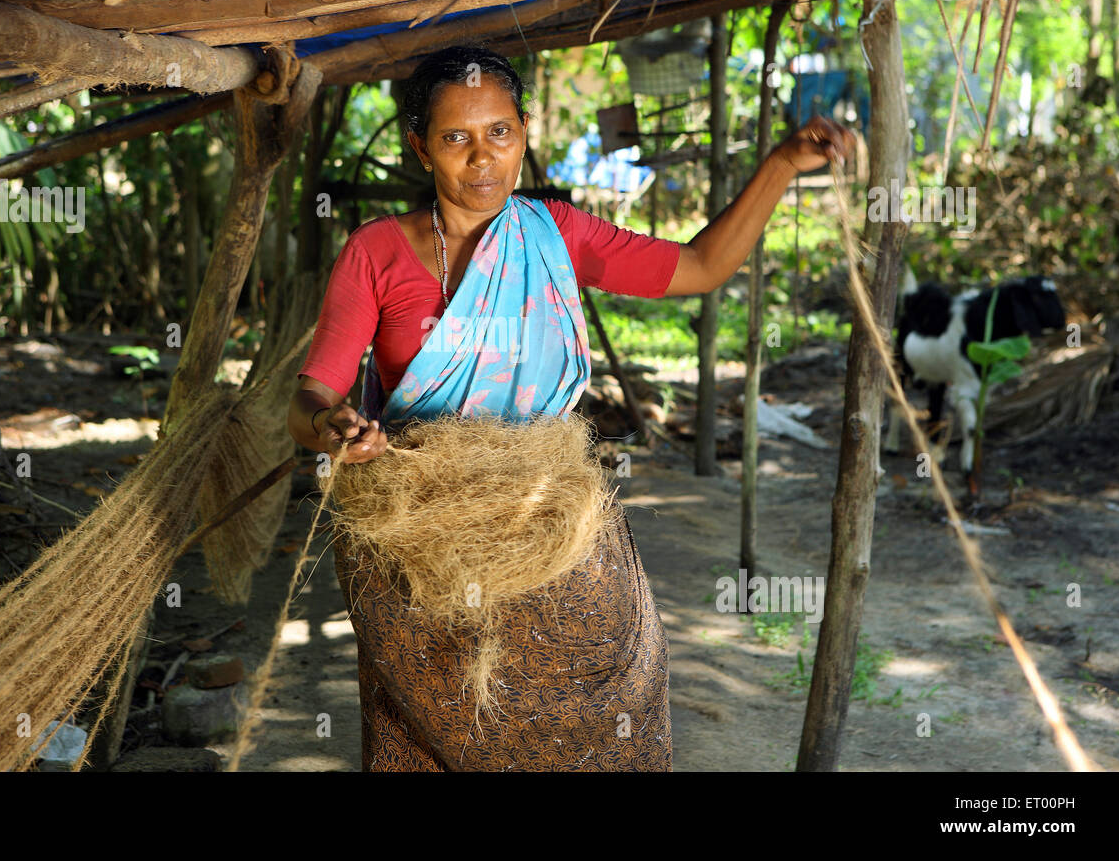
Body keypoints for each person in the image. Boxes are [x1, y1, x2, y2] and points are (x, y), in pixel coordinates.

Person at [288, 45, 854, 771]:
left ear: (525, 129)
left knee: (612, 694)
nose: (482, 158)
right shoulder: (376, 252)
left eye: (500, 132)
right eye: (456, 138)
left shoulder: (556, 235)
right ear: (420, 146)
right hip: (416, 541)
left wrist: (778, 165)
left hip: (550, 522)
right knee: (436, 732)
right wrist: (332, 428)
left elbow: (703, 267)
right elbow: (311, 399)